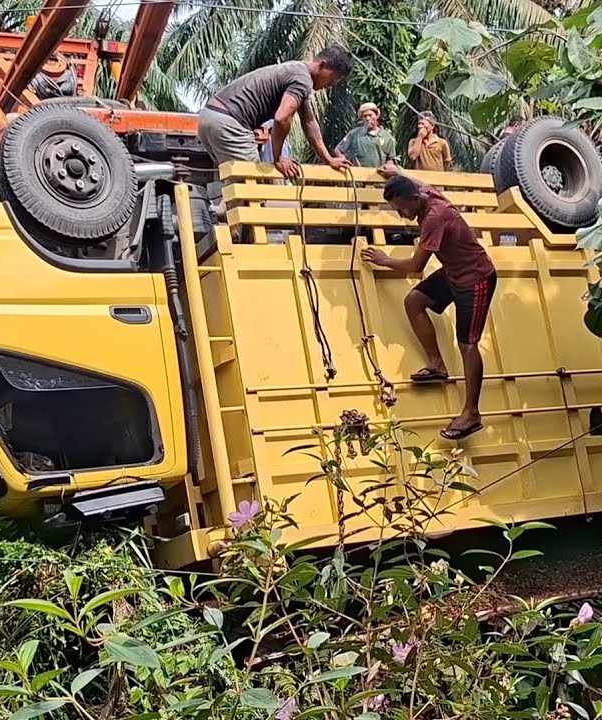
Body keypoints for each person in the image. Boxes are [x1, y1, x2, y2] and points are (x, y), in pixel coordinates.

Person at [360, 168, 496, 441]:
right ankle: (437, 364)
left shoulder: (434, 216)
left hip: (476, 278)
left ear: (413, 199)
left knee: (467, 345)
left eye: (401, 209)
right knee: (414, 300)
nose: (401, 216)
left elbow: (415, 266)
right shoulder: (424, 192)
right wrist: (394, 173)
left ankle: (472, 413)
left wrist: (383, 259)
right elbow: (420, 181)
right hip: (454, 273)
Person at [198, 48, 354, 180]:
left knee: (236, 183)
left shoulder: (297, 71)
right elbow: (282, 118)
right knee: (251, 185)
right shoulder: (302, 80)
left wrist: (328, 159)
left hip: (209, 117)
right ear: (322, 66)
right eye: (333, 79)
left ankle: (221, 213)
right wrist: (277, 158)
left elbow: (309, 123)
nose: (331, 85)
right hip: (229, 123)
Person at [335, 102, 398, 169]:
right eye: (365, 116)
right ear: (362, 119)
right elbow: (338, 149)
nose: (368, 118)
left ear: (376, 116)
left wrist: (388, 167)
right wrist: (344, 161)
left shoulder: (386, 137)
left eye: (370, 115)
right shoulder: (355, 134)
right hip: (357, 176)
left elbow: (391, 158)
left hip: (378, 176)